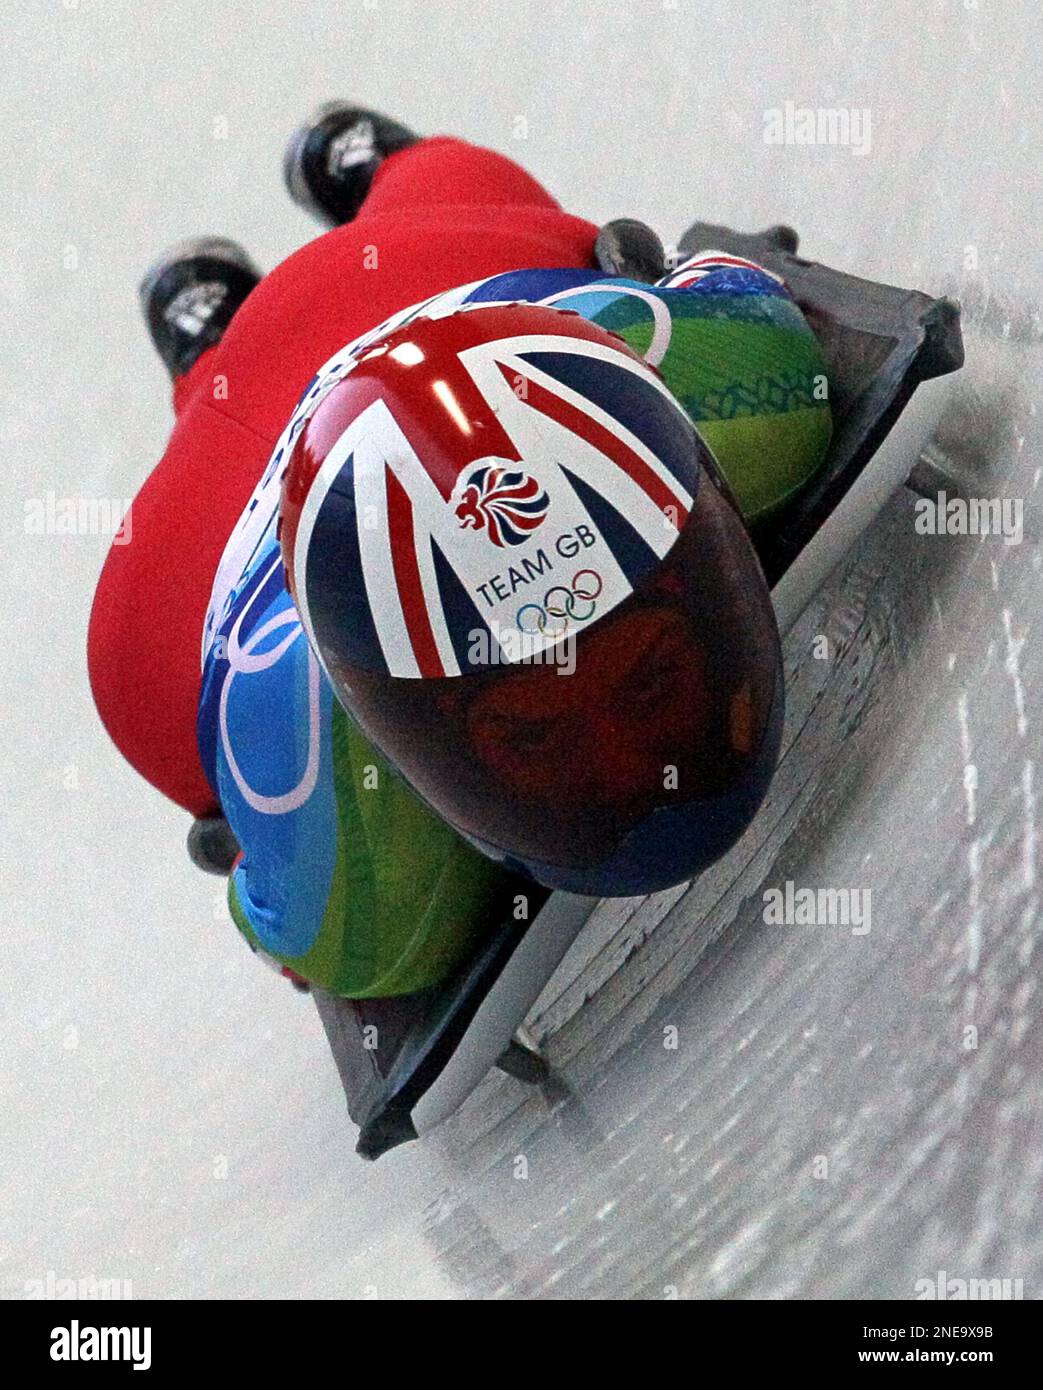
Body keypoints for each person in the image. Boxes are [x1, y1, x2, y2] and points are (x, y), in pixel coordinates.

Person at [88, 105, 831, 996]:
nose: (628, 765)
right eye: (530, 731)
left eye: (650, 676)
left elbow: (267, 908)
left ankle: (227, 337)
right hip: (366, 346)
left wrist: (254, 855)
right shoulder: (755, 393)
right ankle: (264, 299)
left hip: (431, 304)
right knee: (487, 211)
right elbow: (728, 283)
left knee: (474, 212)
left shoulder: (732, 391)